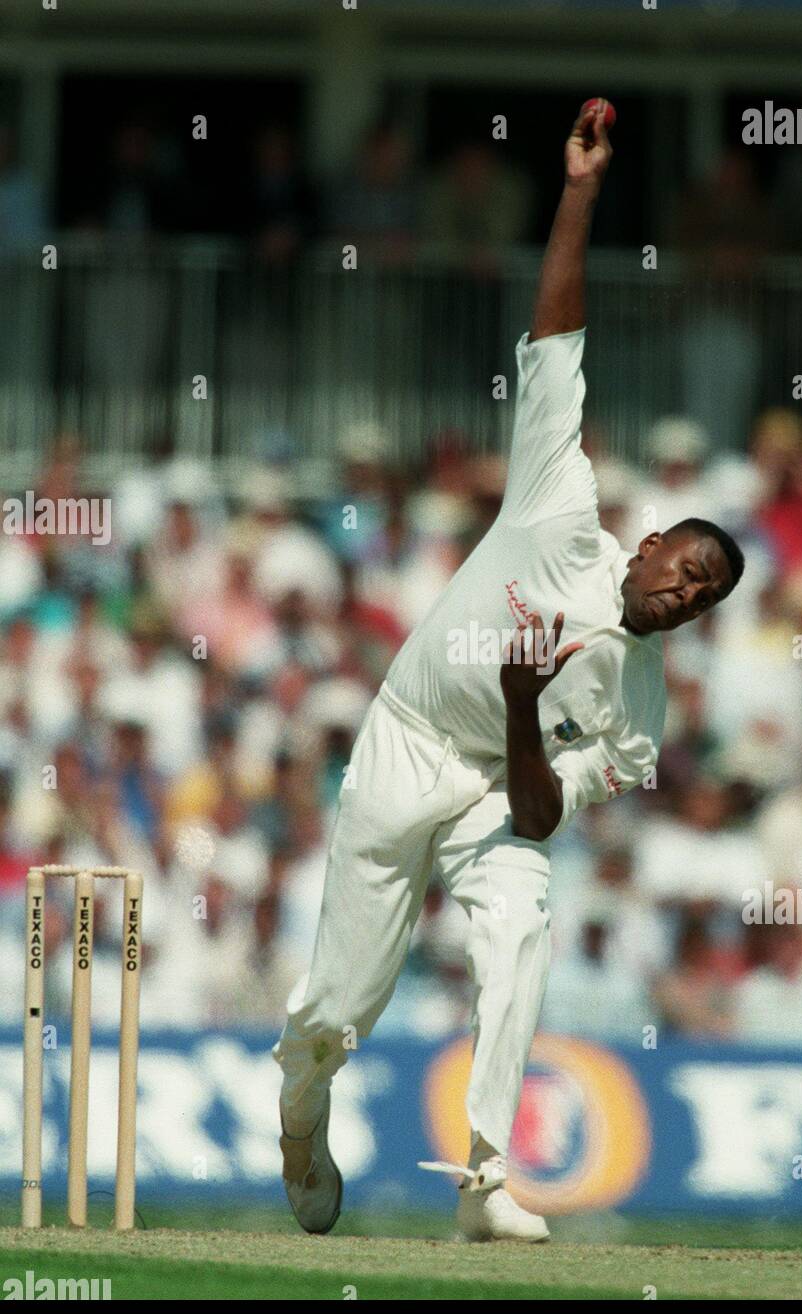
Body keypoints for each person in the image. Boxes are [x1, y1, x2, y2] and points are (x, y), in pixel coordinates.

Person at [273, 100, 745, 1242]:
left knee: (522, 925)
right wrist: (581, 190)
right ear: (644, 546)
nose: (681, 590)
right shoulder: (559, 507)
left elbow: (536, 816)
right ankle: (301, 1106)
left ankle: (487, 1178)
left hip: (498, 786)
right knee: (340, 1009)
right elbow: (557, 341)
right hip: (407, 740)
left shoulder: (642, 713)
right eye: (679, 565)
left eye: (703, 593)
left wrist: (528, 714)